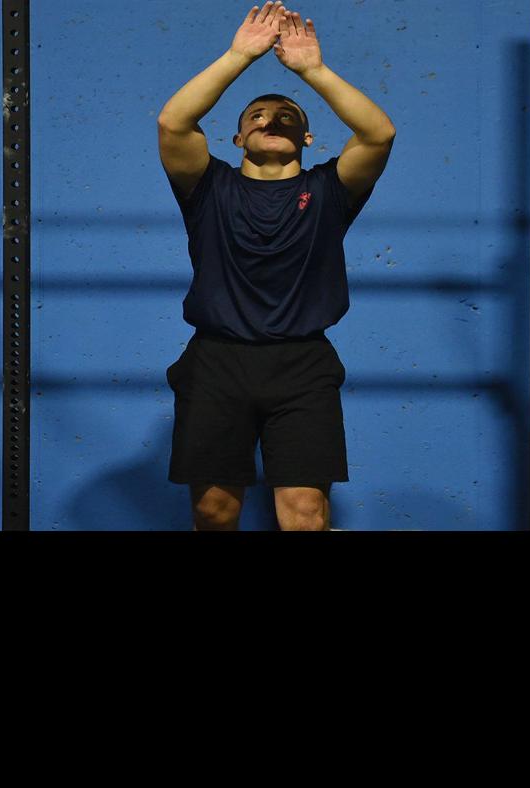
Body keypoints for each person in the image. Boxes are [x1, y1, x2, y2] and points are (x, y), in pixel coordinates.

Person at [157, 2, 395, 531]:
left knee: (306, 512)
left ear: (307, 139)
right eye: (256, 116)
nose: (272, 118)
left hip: (303, 366)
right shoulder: (208, 187)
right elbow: (175, 122)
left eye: (288, 116)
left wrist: (311, 72)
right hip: (217, 361)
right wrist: (241, 55)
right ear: (237, 139)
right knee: (213, 510)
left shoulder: (328, 191)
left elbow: (378, 134)